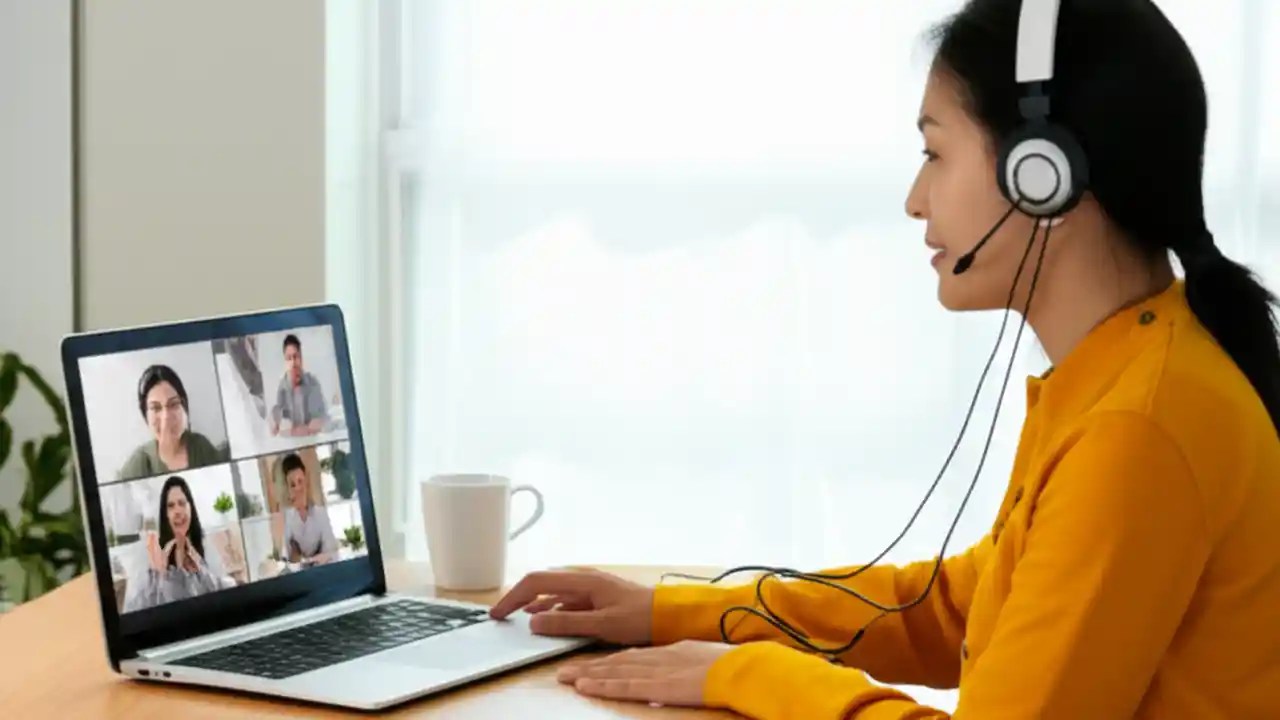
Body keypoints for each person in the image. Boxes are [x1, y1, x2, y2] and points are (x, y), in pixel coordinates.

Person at [488, 2, 1280, 718]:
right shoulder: (1131, 373)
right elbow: (954, 614)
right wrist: (672, 611)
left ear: (1041, 177)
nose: (914, 198)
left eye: (935, 153)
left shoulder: (1139, 429)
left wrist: (748, 674)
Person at [122, 476, 229, 612]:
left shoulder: (206, 545)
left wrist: (201, 569)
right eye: (171, 506)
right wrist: (156, 575)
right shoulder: (151, 554)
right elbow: (132, 610)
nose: (177, 511)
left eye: (182, 503)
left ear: (191, 508)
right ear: (165, 514)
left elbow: (226, 591)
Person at [117, 364, 228, 482]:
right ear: (145, 415)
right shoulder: (140, 464)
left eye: (173, 404)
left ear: (184, 407)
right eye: (156, 408)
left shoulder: (200, 447)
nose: (166, 417)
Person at [278, 452, 338, 565]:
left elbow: (331, 552)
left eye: (300, 481)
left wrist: (316, 559)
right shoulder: (288, 518)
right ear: (288, 489)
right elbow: (287, 558)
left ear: (306, 481)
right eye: (292, 485)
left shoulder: (320, 514)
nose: (298, 489)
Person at [270, 334, 328, 437]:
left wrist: (294, 430)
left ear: (301, 358)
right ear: (285, 361)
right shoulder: (281, 388)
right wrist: (282, 427)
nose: (293, 362)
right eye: (289, 358)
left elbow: (318, 421)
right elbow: (279, 426)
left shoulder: (312, 383)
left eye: (296, 357)